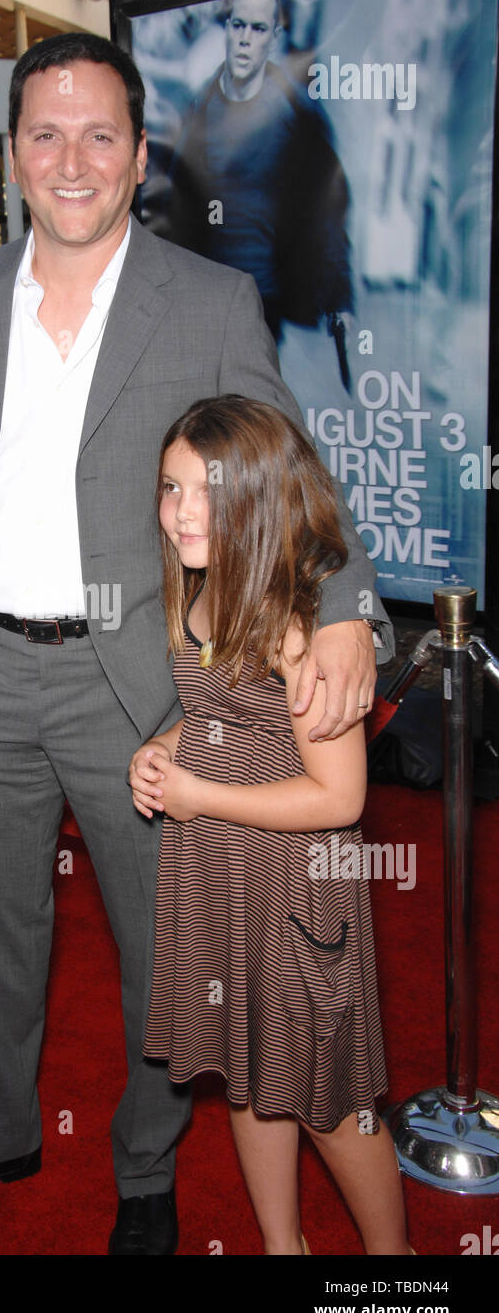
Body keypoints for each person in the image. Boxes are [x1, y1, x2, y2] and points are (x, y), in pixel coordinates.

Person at [0, 31, 390, 1255]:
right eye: (44, 134)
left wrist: (346, 610)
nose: (71, 159)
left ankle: (145, 1166)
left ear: (138, 154)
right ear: (11, 154)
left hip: (146, 689)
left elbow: (289, 474)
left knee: (165, 955)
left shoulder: (204, 298)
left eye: (97, 134)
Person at [131, 397, 411, 1255]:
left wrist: (196, 796)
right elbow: (223, 710)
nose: (182, 513)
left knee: (325, 1099)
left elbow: (340, 800)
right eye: (170, 488)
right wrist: (165, 743)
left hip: (294, 890)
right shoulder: (201, 580)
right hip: (219, 874)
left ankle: (395, 1274)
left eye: (207, 494)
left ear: (258, 497)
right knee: (249, 1080)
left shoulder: (299, 622)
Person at [159, 0, 353, 347]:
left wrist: (338, 294)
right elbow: (174, 207)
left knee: (255, 400)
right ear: (228, 30)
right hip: (207, 294)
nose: (246, 39)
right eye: (239, 25)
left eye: (259, 29)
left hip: (266, 300)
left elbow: (329, 205)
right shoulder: (199, 110)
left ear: (274, 38)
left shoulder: (296, 114)